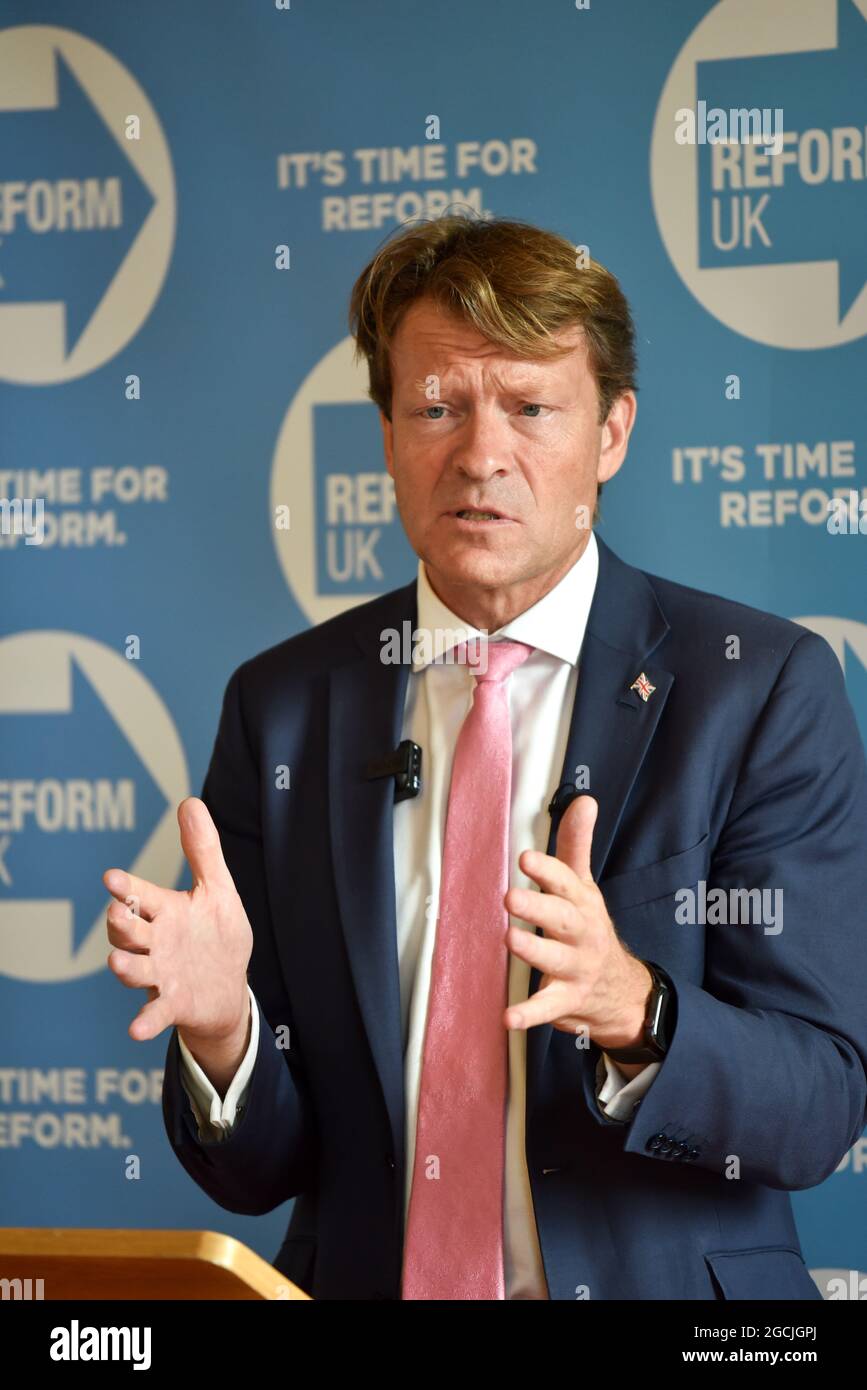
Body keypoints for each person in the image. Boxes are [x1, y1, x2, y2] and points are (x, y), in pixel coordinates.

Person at [103, 214, 867, 1301]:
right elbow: (260, 1167)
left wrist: (635, 1006)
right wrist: (227, 1033)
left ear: (610, 434)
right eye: (437, 407)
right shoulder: (282, 709)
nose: (479, 454)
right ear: (386, 434)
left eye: (530, 407)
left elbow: (821, 1106)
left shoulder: (758, 688)